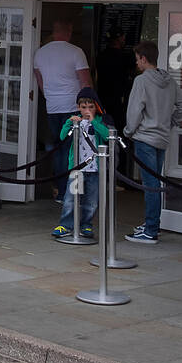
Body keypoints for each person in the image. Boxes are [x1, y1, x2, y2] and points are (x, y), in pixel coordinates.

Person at [124, 39, 182, 244]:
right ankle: (152, 223)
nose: (136, 63)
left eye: (137, 59)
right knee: (155, 183)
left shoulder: (142, 81)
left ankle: (151, 229)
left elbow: (135, 110)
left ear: (144, 59)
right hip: (162, 137)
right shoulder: (169, 81)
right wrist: (170, 121)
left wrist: (128, 131)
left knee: (150, 185)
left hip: (145, 137)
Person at [33, 19, 89, 197]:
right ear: (69, 31)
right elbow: (85, 82)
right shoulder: (76, 52)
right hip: (72, 106)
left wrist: (50, 96)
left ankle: (62, 189)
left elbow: (40, 81)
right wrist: (89, 108)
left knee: (57, 149)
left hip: (52, 107)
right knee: (72, 150)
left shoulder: (40, 53)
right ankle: (72, 192)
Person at [52, 88, 110, 241]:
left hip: (94, 168)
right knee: (70, 197)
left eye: (90, 107)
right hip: (77, 168)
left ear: (96, 107)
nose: (86, 110)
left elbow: (106, 135)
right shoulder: (74, 120)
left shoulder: (100, 121)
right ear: (78, 107)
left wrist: (93, 122)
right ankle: (66, 224)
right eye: (83, 107)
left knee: (91, 200)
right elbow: (62, 136)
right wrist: (68, 124)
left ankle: (86, 224)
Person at [95, 30, 135, 134]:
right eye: (123, 38)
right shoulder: (124, 57)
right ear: (118, 39)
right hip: (119, 98)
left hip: (103, 96)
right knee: (119, 126)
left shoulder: (100, 56)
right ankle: (119, 148)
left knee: (104, 126)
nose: (124, 40)